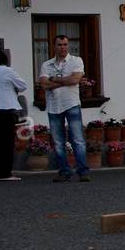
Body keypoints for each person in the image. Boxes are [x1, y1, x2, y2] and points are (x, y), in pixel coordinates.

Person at [38, 33, 90, 182]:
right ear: (54, 46)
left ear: (68, 45)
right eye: (60, 45)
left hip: (71, 103)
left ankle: (83, 171)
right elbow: (44, 84)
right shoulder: (46, 65)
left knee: (78, 139)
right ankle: (64, 171)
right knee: (58, 141)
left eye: (65, 44)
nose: (63, 47)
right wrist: (65, 81)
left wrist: (54, 79)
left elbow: (76, 79)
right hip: (54, 106)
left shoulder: (76, 61)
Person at [0, 49, 26, 181]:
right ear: (5, 60)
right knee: (7, 142)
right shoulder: (7, 71)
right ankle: (5, 173)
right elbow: (23, 85)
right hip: (5, 109)